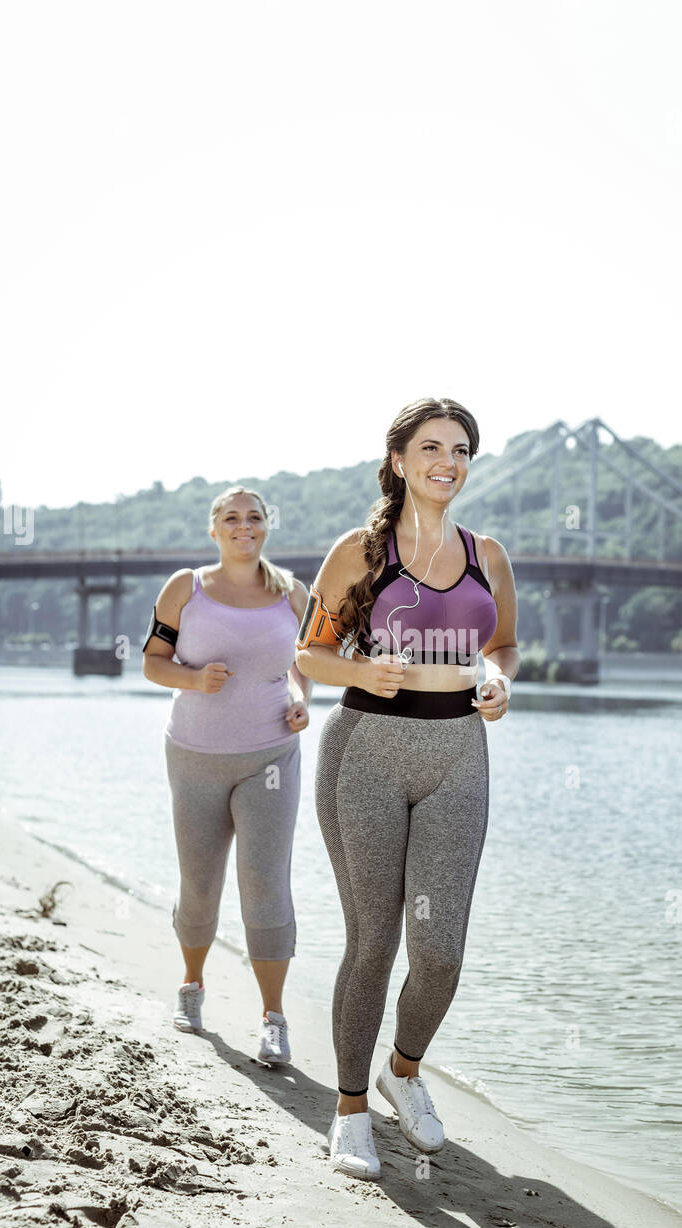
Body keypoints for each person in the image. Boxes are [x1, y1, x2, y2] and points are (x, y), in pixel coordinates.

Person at [295, 397, 519, 1179]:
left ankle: (405, 1069)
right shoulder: (360, 552)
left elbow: (507, 645)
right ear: (399, 461)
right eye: (430, 448)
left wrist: (497, 678)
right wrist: (359, 668)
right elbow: (310, 656)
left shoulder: (487, 553)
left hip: (459, 752)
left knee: (441, 952)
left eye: (460, 450)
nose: (446, 462)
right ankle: (350, 1109)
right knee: (374, 942)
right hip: (368, 751)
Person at [142, 486, 311, 1066]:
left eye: (255, 517)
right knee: (201, 882)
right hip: (194, 754)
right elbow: (151, 662)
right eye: (232, 518)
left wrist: (298, 701)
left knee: (265, 884)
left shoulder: (292, 594)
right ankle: (192, 986)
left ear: (268, 526)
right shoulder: (184, 588)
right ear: (214, 530)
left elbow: (300, 668)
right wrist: (192, 680)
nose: (244, 526)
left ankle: (273, 1019)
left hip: (271, 756)